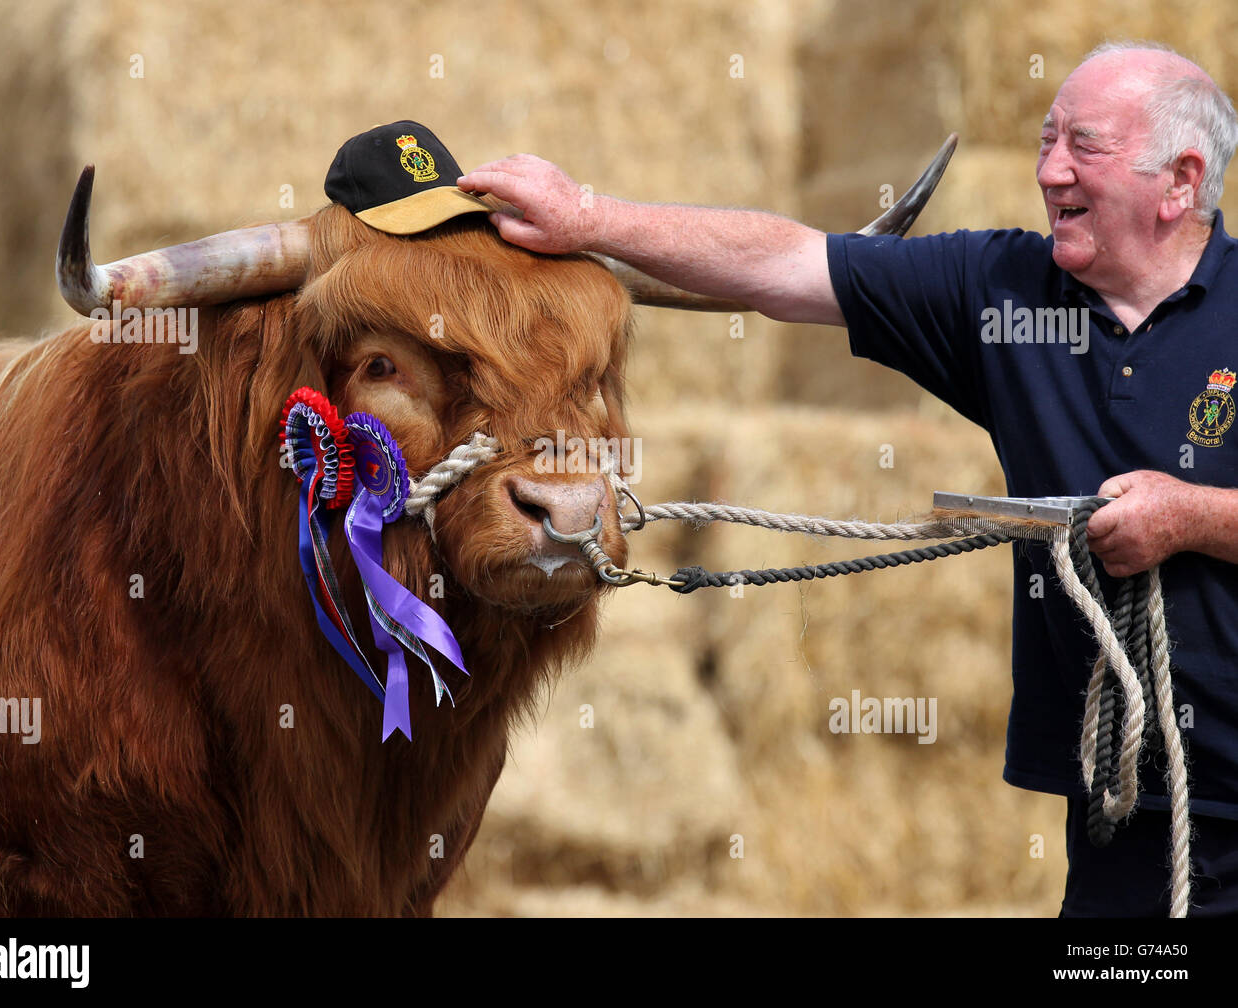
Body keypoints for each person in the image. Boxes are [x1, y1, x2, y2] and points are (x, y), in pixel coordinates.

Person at [458, 41, 1238, 917]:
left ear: (1180, 181)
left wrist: (1193, 516)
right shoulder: (1006, 290)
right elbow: (781, 265)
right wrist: (586, 216)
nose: (1050, 169)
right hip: (1124, 808)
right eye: (1044, 139)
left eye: (1082, 146)